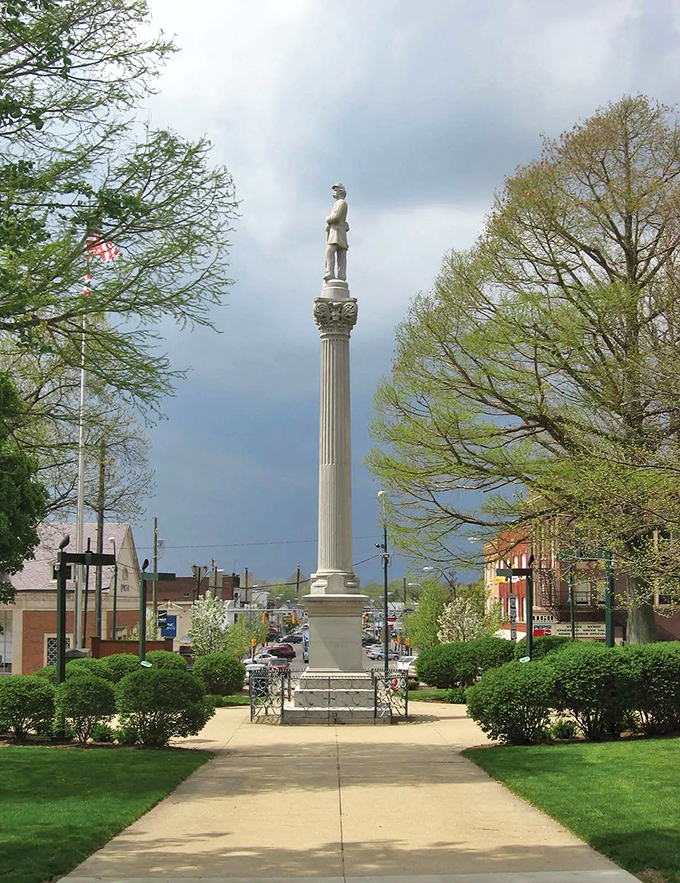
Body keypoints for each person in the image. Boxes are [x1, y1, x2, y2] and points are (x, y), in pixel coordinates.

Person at [324, 182, 349, 281]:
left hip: (337, 230)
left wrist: (328, 219)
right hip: (338, 230)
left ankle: (330, 272)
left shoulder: (341, 203)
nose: (333, 192)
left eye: (335, 190)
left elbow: (336, 217)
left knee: (330, 251)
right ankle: (340, 275)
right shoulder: (340, 203)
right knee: (340, 253)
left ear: (340, 191)